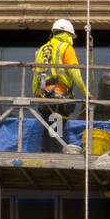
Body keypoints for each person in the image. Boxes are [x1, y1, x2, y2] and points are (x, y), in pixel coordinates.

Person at [32, 18, 88, 153]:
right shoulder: (65, 48)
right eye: (71, 36)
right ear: (67, 34)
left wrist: (37, 94)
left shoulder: (41, 50)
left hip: (44, 97)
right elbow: (74, 71)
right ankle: (54, 154)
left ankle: (47, 152)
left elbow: (35, 77)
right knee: (56, 130)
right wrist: (85, 92)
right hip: (59, 95)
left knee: (48, 130)